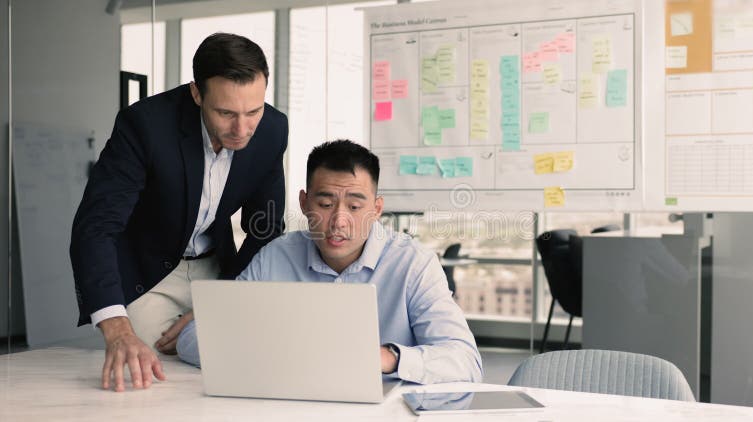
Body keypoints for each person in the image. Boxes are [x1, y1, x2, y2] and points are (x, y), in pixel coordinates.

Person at [69, 33, 287, 392]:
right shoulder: (145, 125)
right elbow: (96, 226)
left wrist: (225, 298)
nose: (242, 129)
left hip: (218, 270)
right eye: (225, 113)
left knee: (240, 359)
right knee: (158, 379)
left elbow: (265, 229)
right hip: (149, 275)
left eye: (253, 111)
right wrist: (117, 328)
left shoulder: (273, 130)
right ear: (197, 93)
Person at [176, 140, 483, 384]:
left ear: (377, 209)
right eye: (325, 204)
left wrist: (386, 358)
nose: (339, 221)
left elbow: (465, 361)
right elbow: (191, 339)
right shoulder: (276, 256)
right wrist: (278, 351)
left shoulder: (413, 264)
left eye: (355, 206)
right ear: (304, 202)